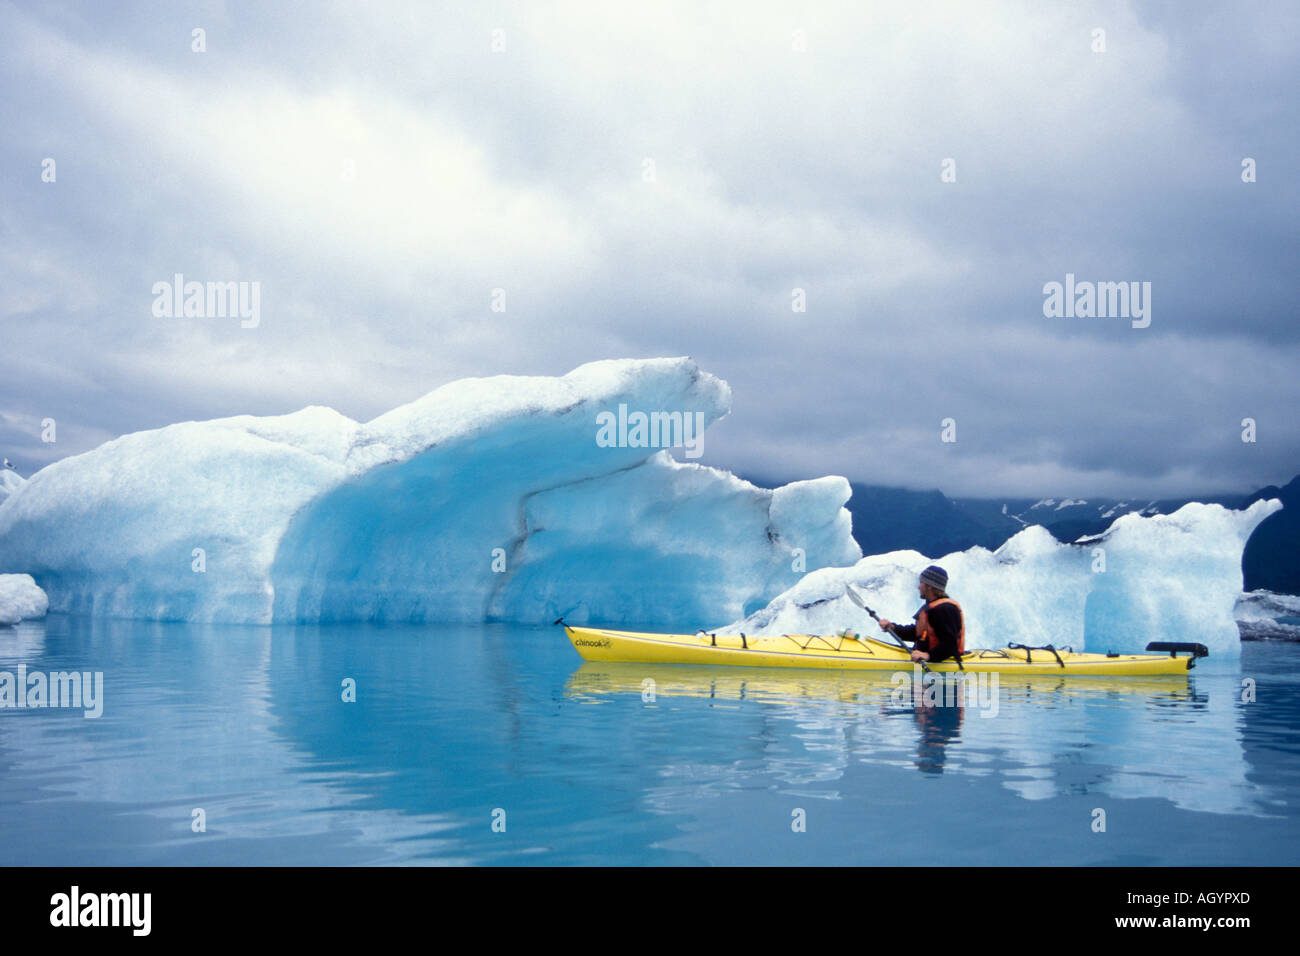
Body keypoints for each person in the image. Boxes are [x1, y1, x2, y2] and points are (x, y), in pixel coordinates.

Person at [878, 565, 964, 664]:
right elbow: (918, 634)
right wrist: (893, 628)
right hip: (927, 658)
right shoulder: (933, 606)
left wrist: (928, 656)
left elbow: (950, 643)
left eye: (921, 583)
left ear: (929, 586)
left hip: (939, 661)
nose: (919, 587)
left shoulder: (945, 609)